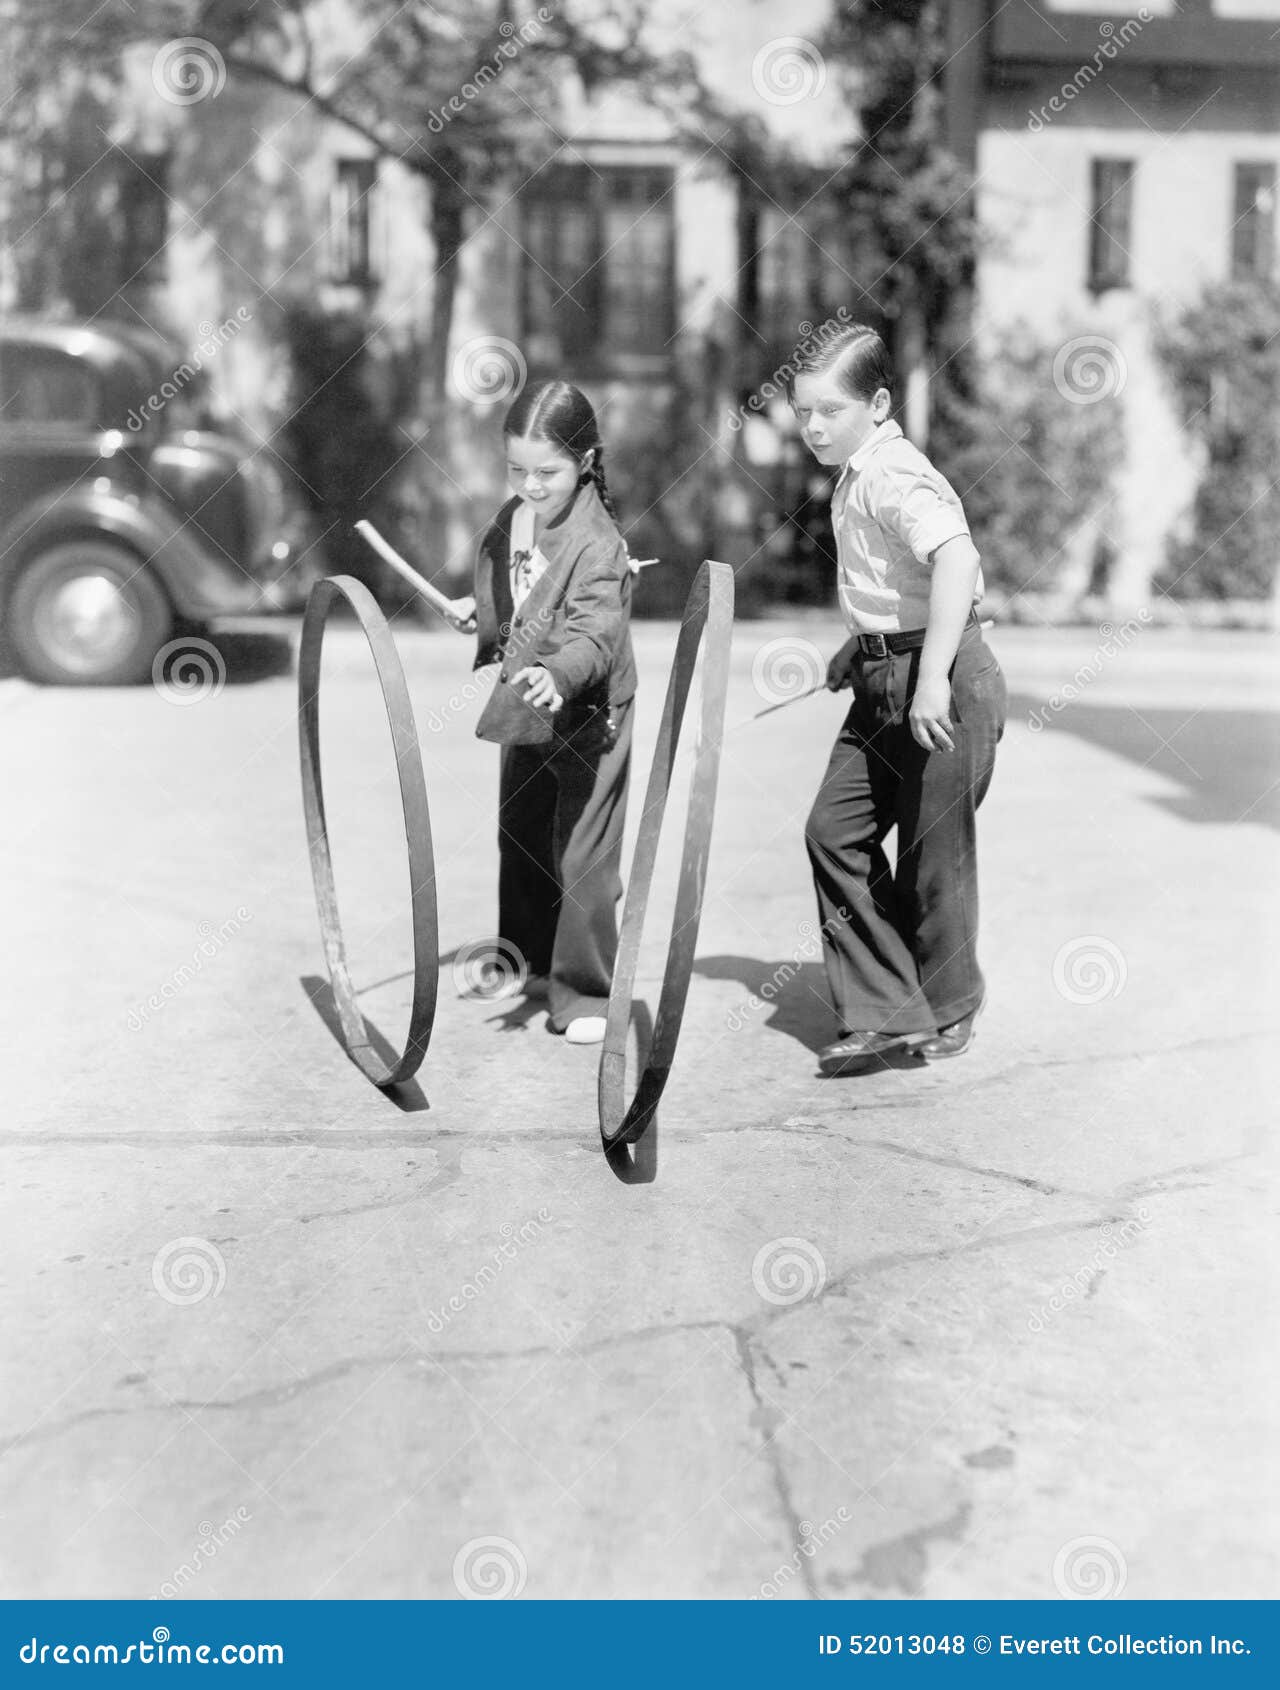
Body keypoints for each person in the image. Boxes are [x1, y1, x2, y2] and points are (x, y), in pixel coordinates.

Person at [787, 323, 1007, 1074]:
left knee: (931, 856)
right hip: (889, 676)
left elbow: (957, 556)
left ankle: (949, 1005)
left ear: (878, 404)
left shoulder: (889, 471)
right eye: (802, 411)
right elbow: (898, 582)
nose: (813, 426)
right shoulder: (857, 468)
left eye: (829, 411)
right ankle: (888, 1002)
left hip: (943, 682)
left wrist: (934, 676)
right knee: (832, 831)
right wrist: (865, 644)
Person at [449, 379, 637, 1046]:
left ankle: (586, 992)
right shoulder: (515, 513)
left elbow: (594, 632)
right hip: (526, 700)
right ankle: (527, 959)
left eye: (547, 472)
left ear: (586, 460)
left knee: (584, 856)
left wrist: (559, 674)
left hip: (587, 712)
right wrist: (485, 614)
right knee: (522, 834)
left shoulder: (598, 541)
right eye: (517, 470)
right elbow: (512, 580)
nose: (530, 486)